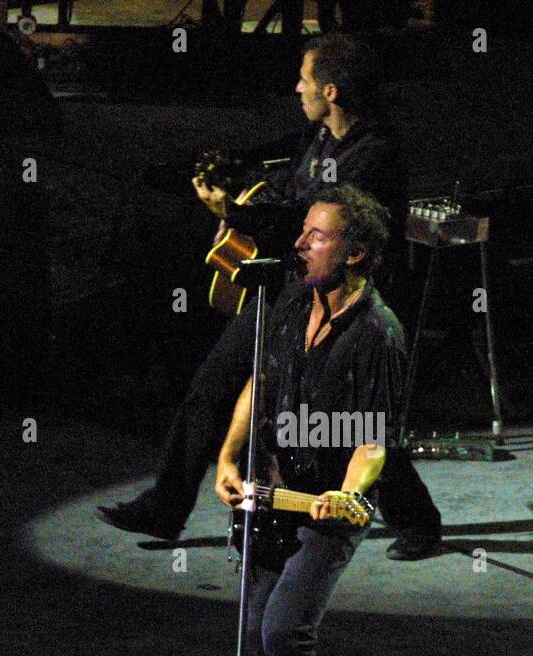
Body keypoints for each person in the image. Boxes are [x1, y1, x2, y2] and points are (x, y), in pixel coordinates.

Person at [99, 32, 442, 560]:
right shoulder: (319, 138)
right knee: (213, 383)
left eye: (304, 79)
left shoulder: (372, 154)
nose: (296, 87)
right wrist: (230, 178)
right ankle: (165, 507)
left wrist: (231, 213)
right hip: (295, 290)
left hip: (349, 304)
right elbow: (285, 183)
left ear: (330, 90)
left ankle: (419, 520)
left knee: (346, 421)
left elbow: (301, 218)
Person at [215, 184, 400, 656]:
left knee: (283, 631)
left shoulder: (377, 333)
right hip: (271, 499)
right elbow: (259, 385)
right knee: (261, 631)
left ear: (356, 253)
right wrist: (229, 457)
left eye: (317, 236)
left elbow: (372, 443)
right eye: (304, 232)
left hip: (326, 510)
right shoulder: (293, 302)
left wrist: (350, 493)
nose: (300, 244)